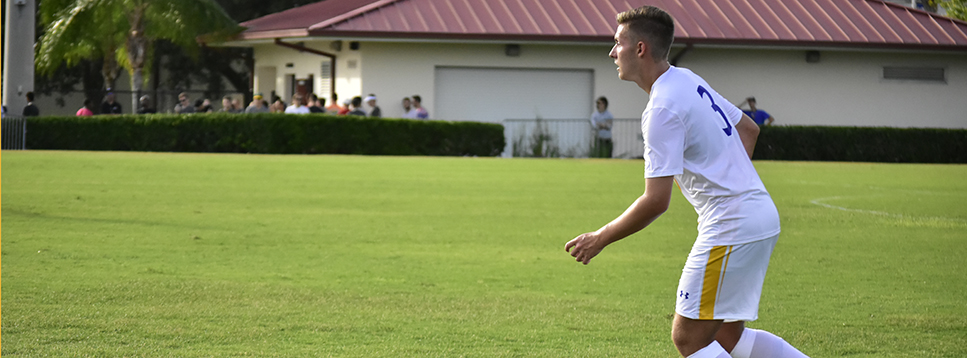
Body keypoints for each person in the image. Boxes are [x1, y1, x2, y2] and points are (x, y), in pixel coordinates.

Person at [564, 6, 808, 358]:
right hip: (758, 215)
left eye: (618, 42)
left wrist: (599, 238)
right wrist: (724, 179)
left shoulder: (661, 108)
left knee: (688, 338)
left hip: (731, 226)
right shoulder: (687, 78)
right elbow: (748, 130)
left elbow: (655, 201)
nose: (612, 52)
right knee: (727, 336)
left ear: (641, 48)